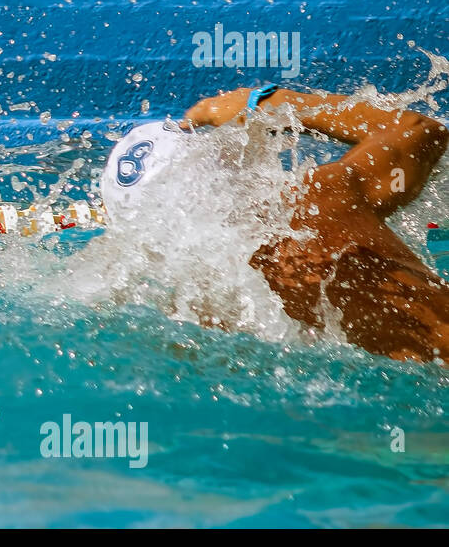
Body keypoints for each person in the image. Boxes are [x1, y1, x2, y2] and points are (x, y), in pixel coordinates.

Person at [101, 84, 449, 362]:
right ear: (223, 161)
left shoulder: (185, 315)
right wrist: (272, 101)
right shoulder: (317, 201)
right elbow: (421, 131)